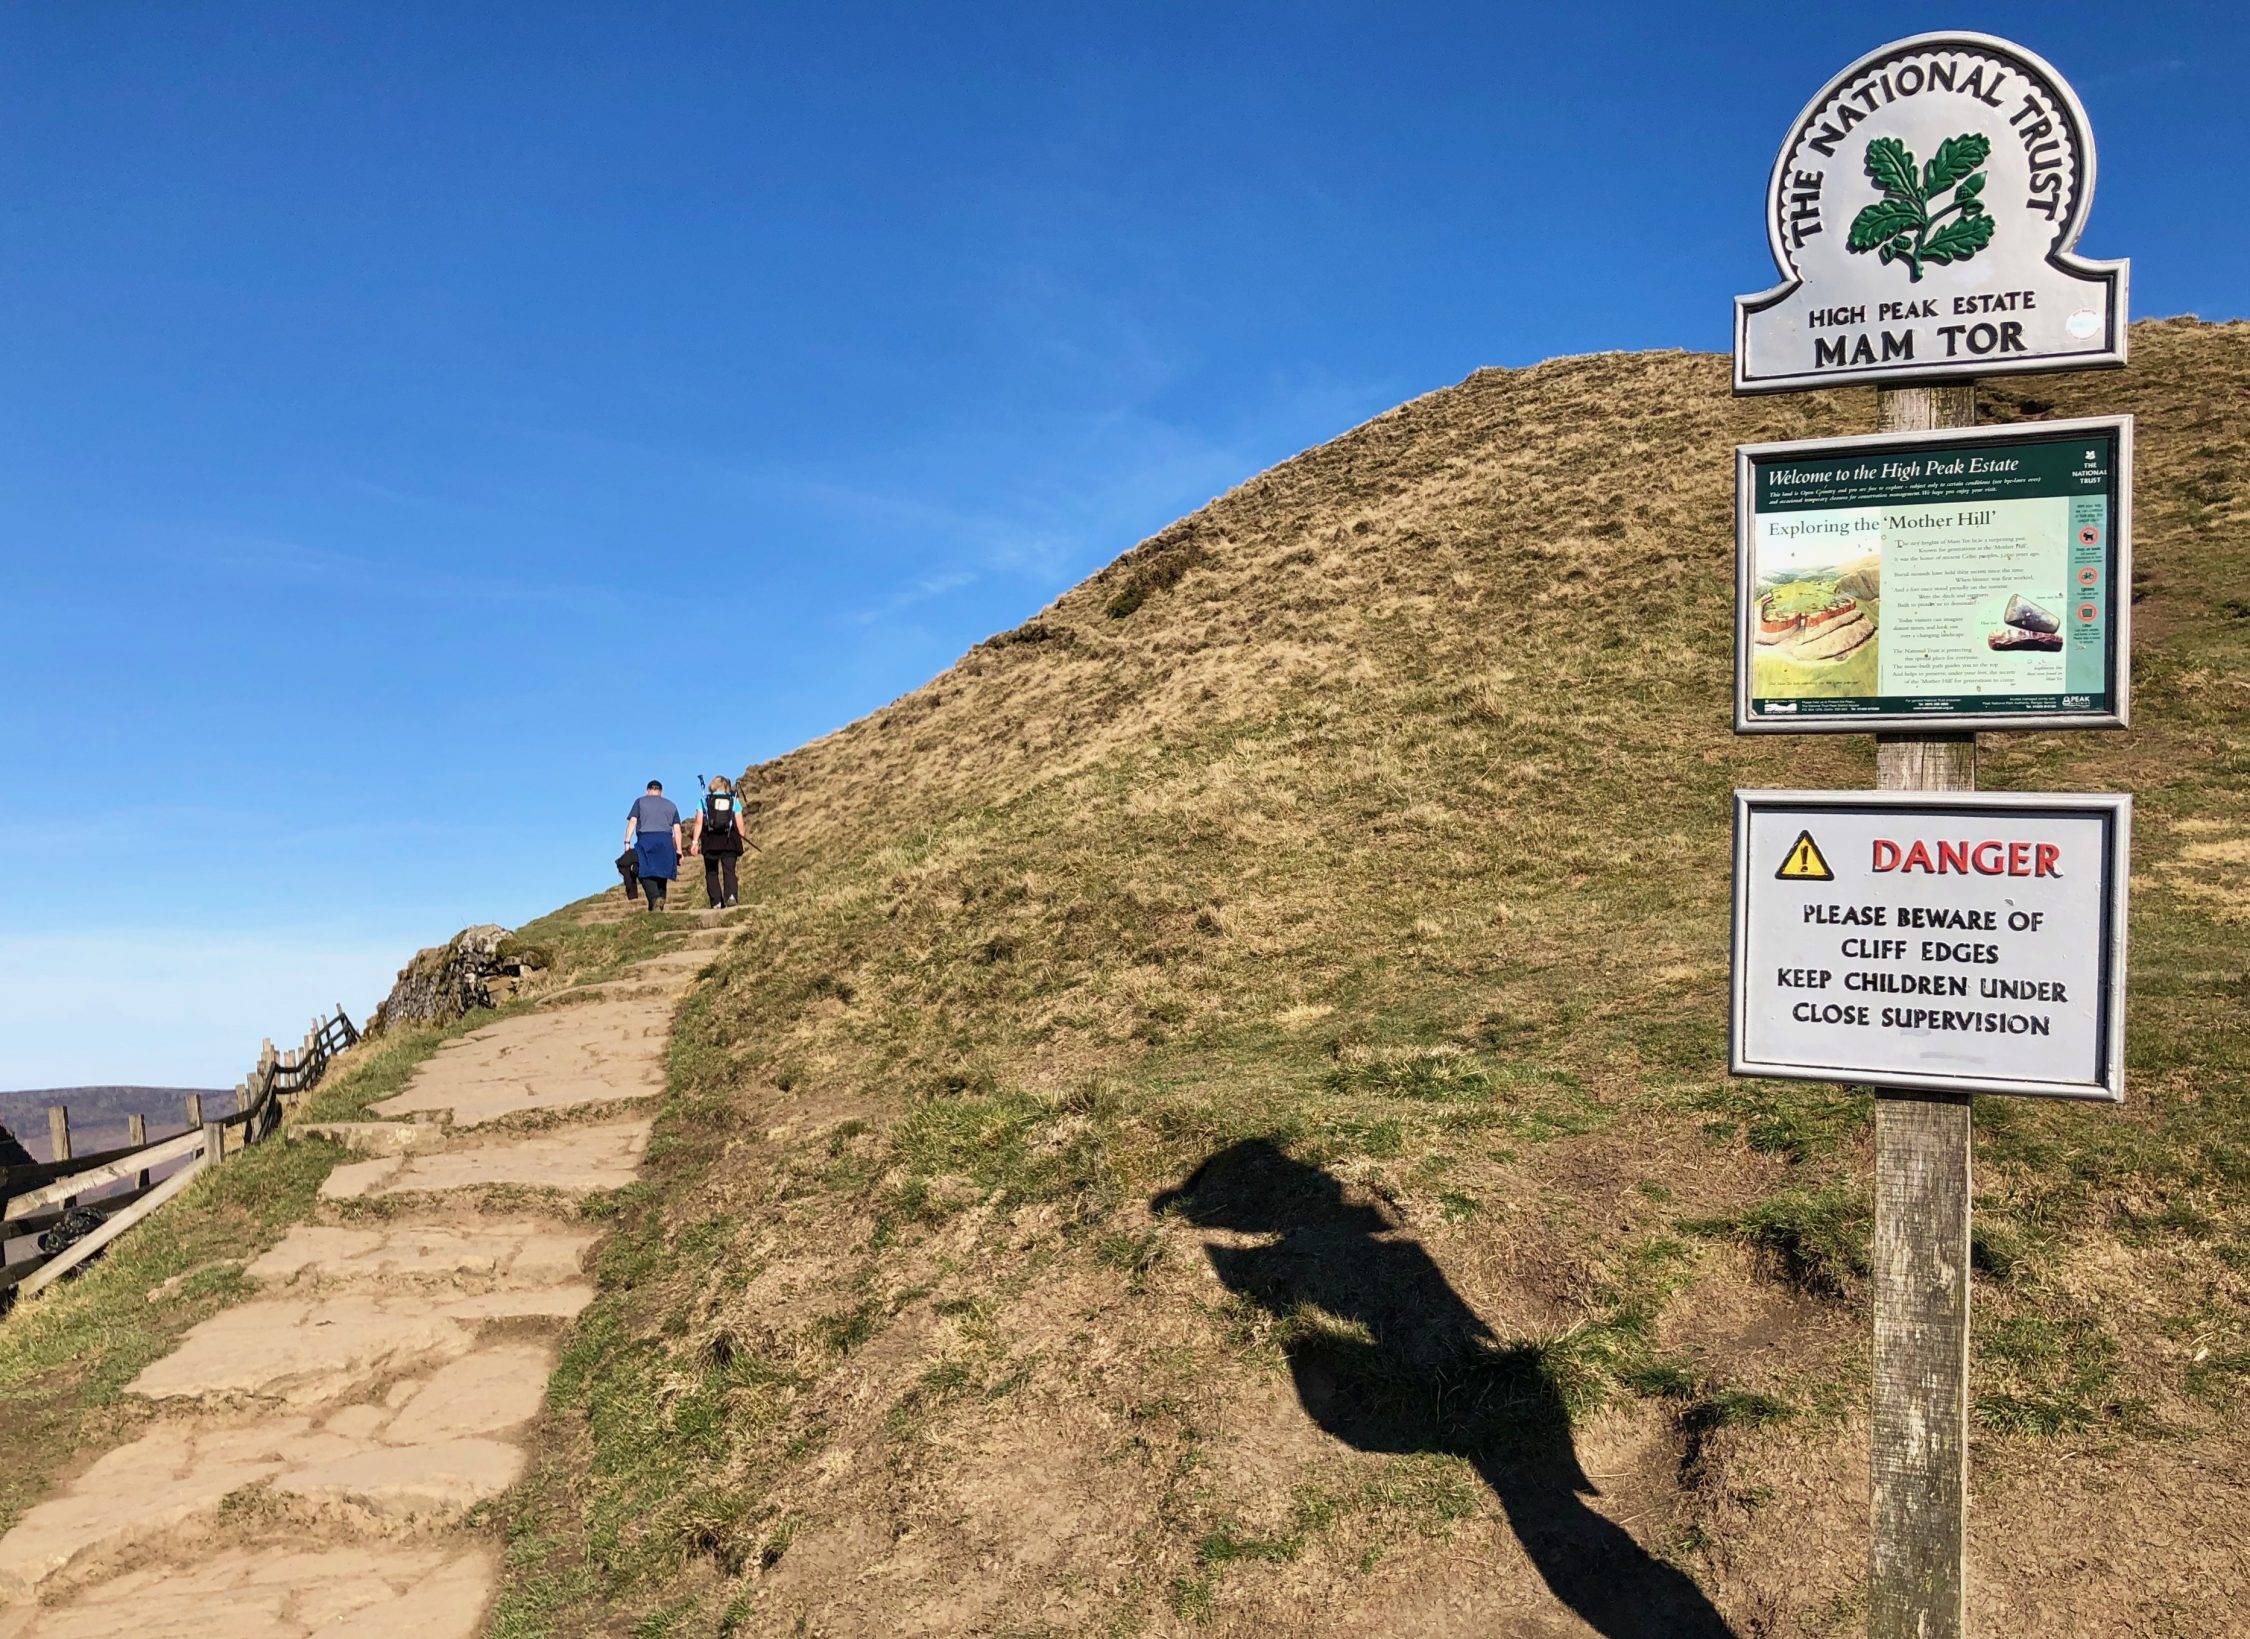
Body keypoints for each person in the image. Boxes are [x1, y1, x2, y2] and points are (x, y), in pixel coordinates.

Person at [689, 775, 750, 909]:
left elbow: (698, 823)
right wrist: (741, 838)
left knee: (711, 872)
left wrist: (694, 842)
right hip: (729, 840)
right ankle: (731, 896)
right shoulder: (733, 800)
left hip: (710, 841)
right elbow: (740, 823)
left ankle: (716, 901)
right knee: (729, 870)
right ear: (726, 786)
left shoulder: (704, 800)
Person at [623, 780, 682, 912]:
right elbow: (677, 829)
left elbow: (633, 821)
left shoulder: (640, 801)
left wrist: (627, 842)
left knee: (644, 871)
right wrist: (678, 850)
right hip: (666, 840)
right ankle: (659, 902)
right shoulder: (671, 805)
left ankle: (655, 899)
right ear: (661, 792)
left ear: (647, 790)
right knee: (662, 872)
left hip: (646, 839)